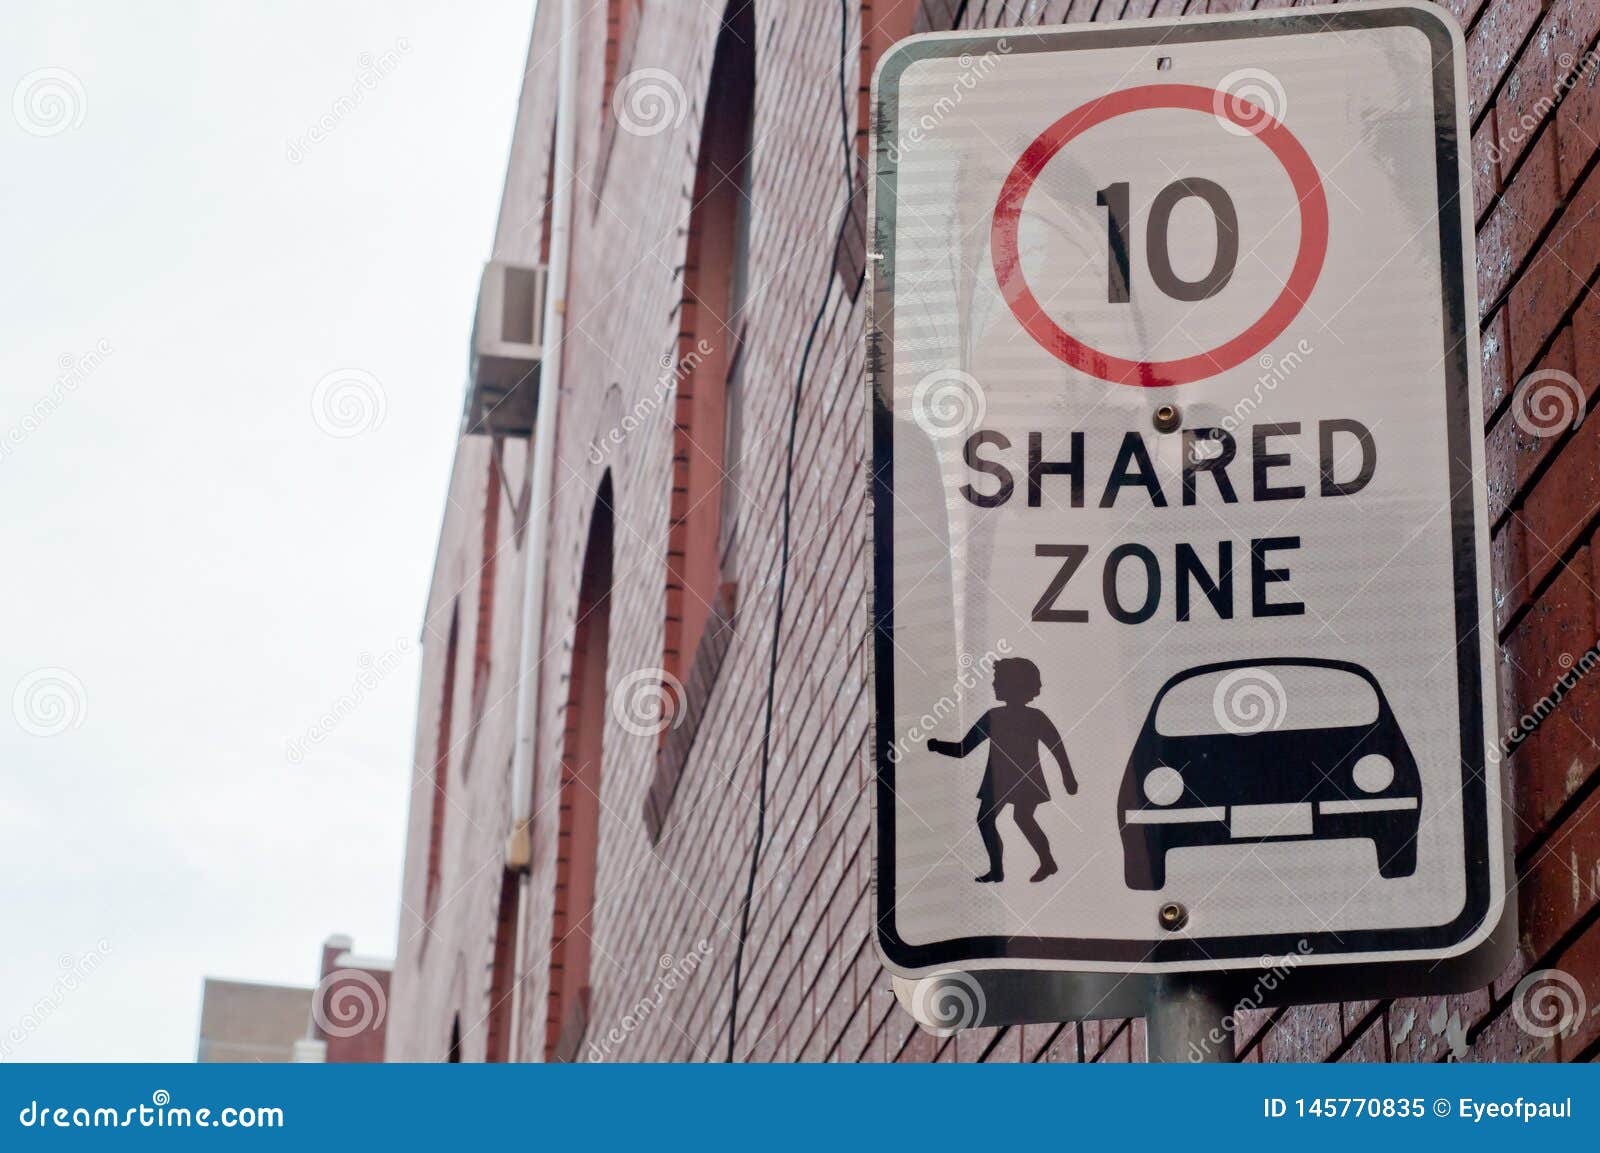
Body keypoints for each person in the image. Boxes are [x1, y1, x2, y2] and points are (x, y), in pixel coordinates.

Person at [927, 657, 1077, 883]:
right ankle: (1003, 869)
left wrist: (1068, 776)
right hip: (999, 780)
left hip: (1020, 779)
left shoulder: (1031, 717)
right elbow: (962, 749)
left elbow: (1056, 746)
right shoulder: (993, 717)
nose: (994, 684)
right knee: (995, 819)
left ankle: (1044, 862)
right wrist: (939, 745)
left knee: (1020, 818)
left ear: (1015, 685)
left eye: (999, 680)